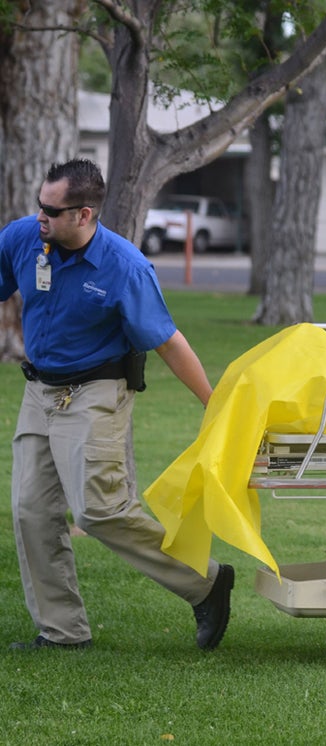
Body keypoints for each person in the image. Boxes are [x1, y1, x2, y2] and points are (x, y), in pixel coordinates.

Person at [0, 159, 234, 651]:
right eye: (38, 204)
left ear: (83, 214)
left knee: (99, 510)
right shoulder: (23, 238)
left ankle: (207, 583)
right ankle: (62, 632)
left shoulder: (125, 268)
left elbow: (168, 341)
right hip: (40, 389)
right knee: (29, 510)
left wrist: (214, 404)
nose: (38, 216)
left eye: (51, 209)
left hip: (97, 390)